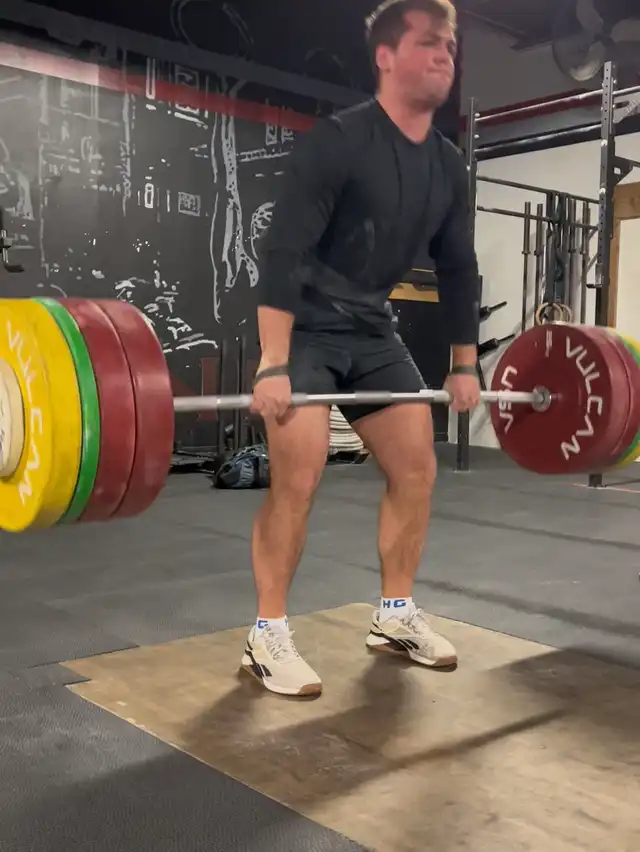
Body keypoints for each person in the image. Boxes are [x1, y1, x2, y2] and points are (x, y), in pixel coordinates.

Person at [242, 0, 481, 697]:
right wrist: (274, 361)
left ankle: (394, 614)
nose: (444, 56)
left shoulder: (447, 165)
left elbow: (458, 267)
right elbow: (283, 253)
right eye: (429, 43)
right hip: (306, 328)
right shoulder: (338, 141)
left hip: (372, 331)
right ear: (386, 56)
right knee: (299, 476)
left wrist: (464, 362)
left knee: (417, 468)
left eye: (450, 46)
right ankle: (266, 632)